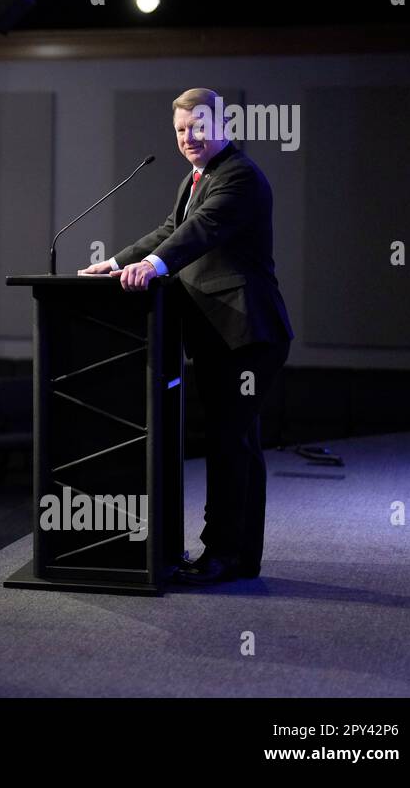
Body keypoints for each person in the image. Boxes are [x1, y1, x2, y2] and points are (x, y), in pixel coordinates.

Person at [79, 87, 293, 585]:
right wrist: (116, 262)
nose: (188, 138)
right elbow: (169, 228)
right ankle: (239, 555)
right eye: (180, 130)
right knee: (236, 443)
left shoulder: (238, 177)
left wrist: (153, 267)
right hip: (225, 334)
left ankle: (223, 554)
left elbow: (200, 232)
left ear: (223, 127)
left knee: (228, 444)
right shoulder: (198, 177)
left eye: (198, 127)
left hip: (246, 332)